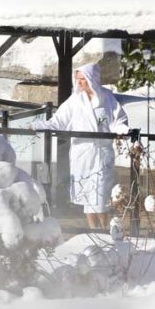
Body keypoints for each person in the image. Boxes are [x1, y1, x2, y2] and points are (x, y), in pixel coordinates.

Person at [32, 62, 129, 229]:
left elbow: (118, 119)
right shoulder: (75, 101)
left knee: (100, 196)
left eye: (83, 79)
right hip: (82, 153)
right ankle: (94, 231)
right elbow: (58, 121)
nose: (79, 83)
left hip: (101, 153)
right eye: (77, 79)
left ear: (92, 79)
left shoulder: (107, 98)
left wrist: (122, 129)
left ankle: (105, 232)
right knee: (87, 196)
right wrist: (39, 126)